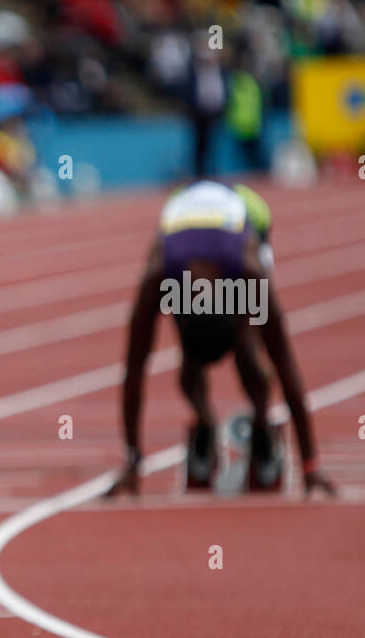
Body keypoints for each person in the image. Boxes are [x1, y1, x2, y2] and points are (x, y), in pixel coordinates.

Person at [106, 180, 336, 497]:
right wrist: (130, 460)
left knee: (250, 349)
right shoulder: (157, 278)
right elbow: (134, 373)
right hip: (181, 208)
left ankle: (261, 424)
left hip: (247, 208)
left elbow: (285, 364)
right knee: (192, 364)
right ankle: (204, 419)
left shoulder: (252, 275)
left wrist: (311, 465)